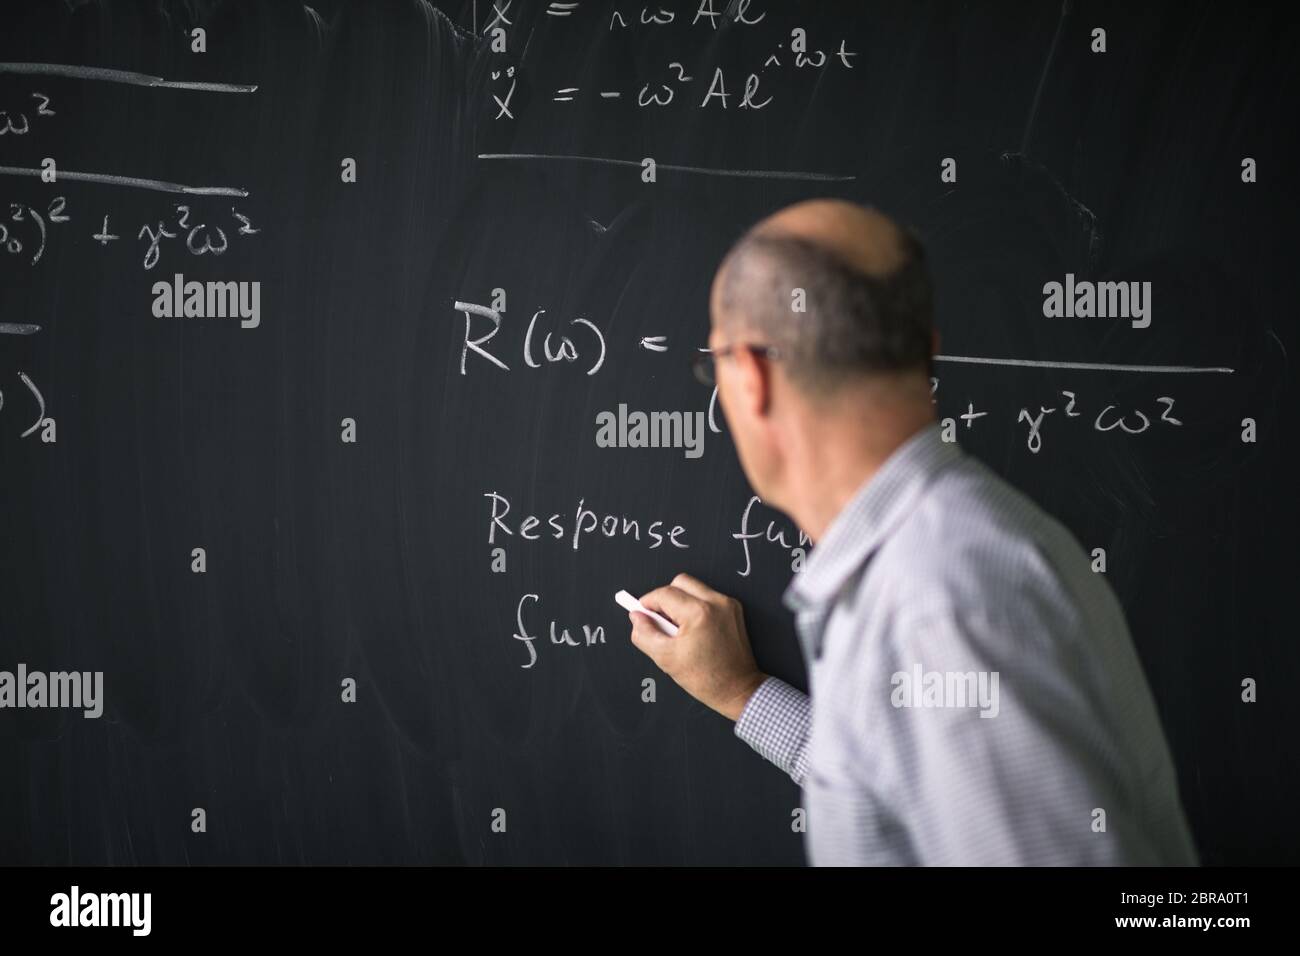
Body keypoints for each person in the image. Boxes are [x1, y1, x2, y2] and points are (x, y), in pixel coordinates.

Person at [625, 199, 1197, 866]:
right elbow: (915, 803)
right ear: (927, 353)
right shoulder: (934, 559)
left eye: (712, 366)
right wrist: (744, 695)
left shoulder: (942, 600)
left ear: (751, 377)